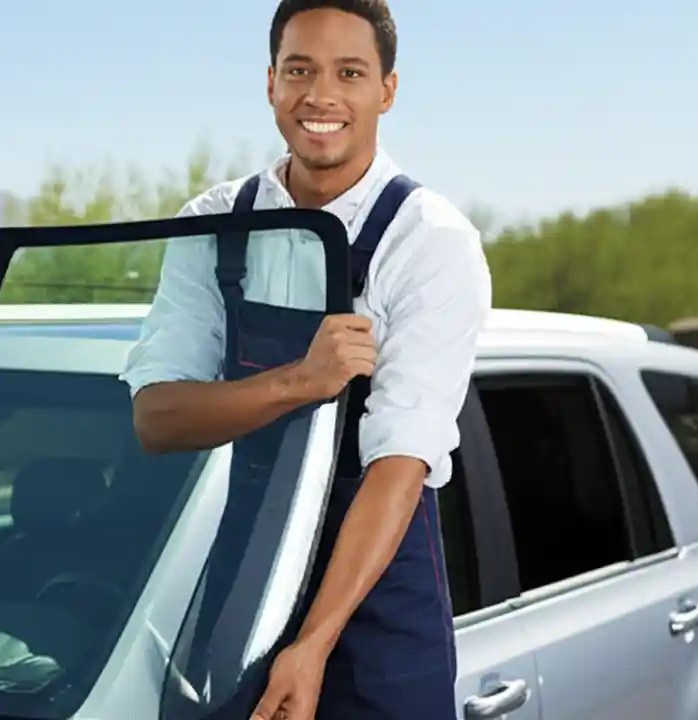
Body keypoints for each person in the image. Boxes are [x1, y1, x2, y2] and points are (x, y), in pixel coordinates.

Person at [119, 1, 492, 718]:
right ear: (270, 83)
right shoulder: (215, 224)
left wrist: (313, 645)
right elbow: (156, 419)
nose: (320, 96)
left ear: (386, 89)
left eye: (349, 72)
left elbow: (400, 464)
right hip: (238, 585)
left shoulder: (428, 240)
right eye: (300, 70)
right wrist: (301, 383)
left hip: (379, 608)